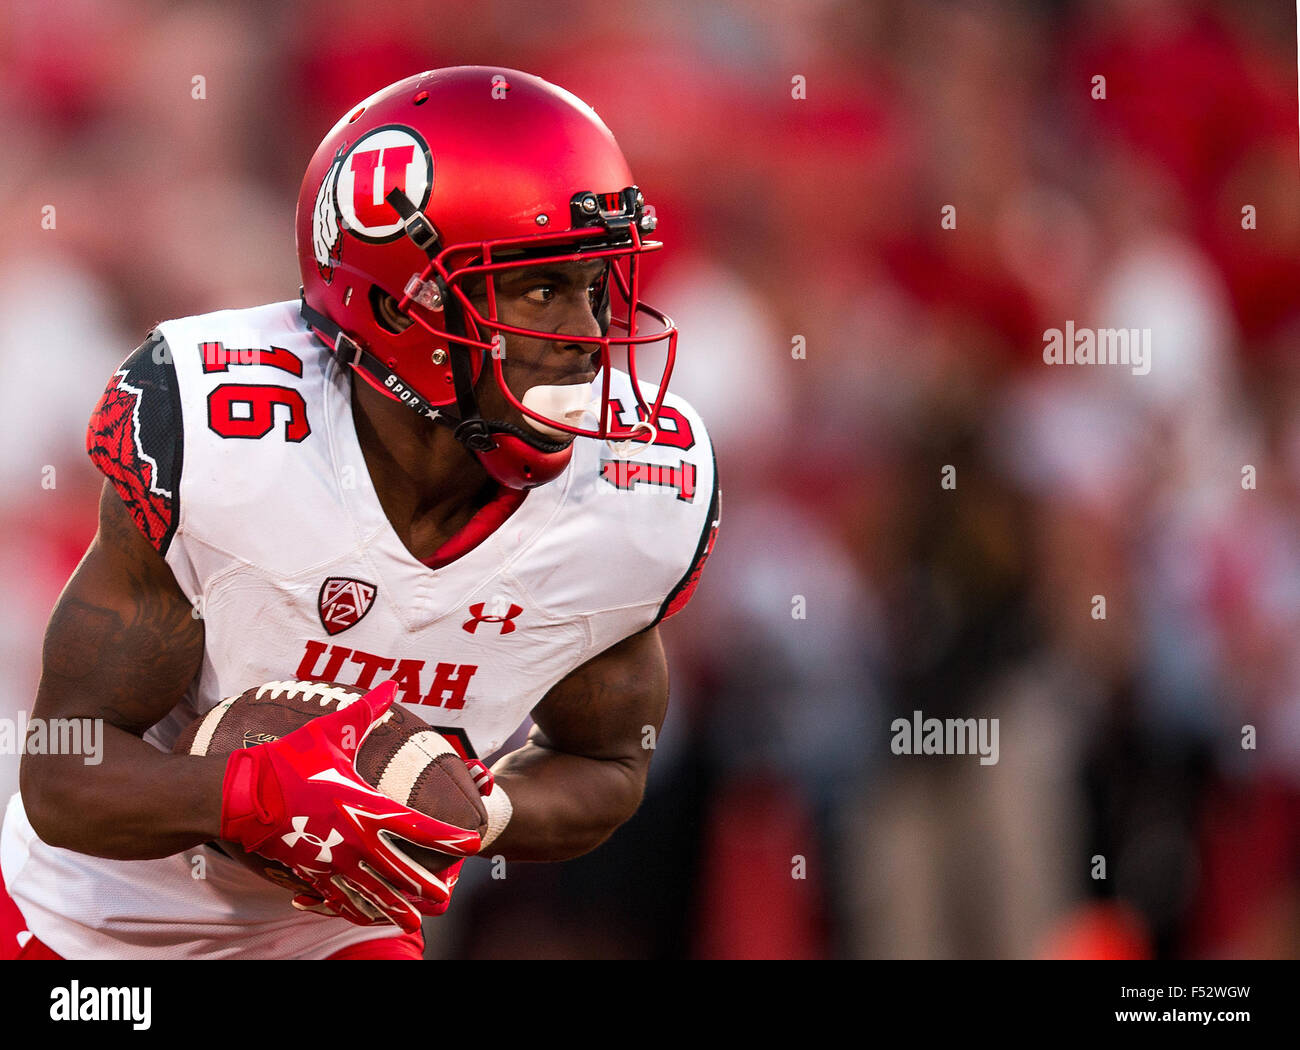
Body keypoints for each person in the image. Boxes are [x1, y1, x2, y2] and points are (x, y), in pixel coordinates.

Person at [0, 66, 719, 960]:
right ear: (394, 303)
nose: (587, 341)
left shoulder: (633, 488)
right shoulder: (228, 438)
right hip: (89, 925)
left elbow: (610, 765)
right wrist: (253, 795)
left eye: (596, 286)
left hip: (336, 933)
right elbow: (65, 775)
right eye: (540, 290)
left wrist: (480, 807)